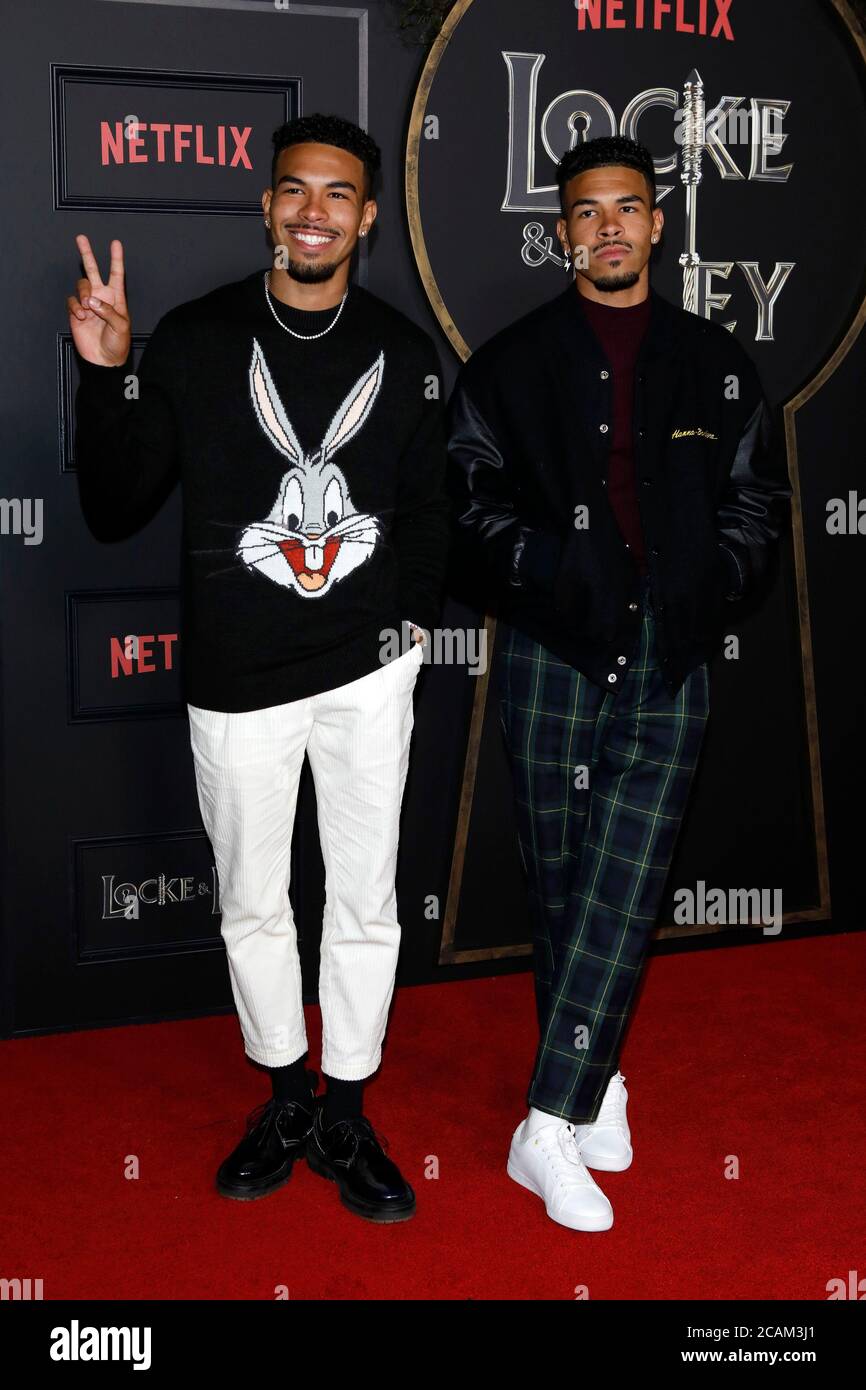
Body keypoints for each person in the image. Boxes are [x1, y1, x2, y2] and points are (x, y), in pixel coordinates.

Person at [69, 113, 449, 1224]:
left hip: (367, 673)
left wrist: (409, 630)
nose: (314, 211)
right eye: (295, 190)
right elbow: (111, 506)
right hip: (236, 676)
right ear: (268, 203)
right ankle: (284, 1096)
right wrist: (105, 374)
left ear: (366, 217)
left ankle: (347, 1106)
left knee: (364, 900)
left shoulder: (400, 349)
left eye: (337, 194)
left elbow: (428, 507)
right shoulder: (190, 341)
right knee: (252, 900)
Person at [446, 135, 792, 1232]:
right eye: (585, 212)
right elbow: (466, 503)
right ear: (561, 232)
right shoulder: (507, 364)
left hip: (670, 651)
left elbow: (755, 506)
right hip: (553, 644)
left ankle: (545, 1121)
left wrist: (705, 584)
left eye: (626, 208)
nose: (606, 227)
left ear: (655, 224)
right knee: (562, 882)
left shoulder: (718, 363)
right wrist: (552, 570)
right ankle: (597, 1079)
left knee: (626, 880)